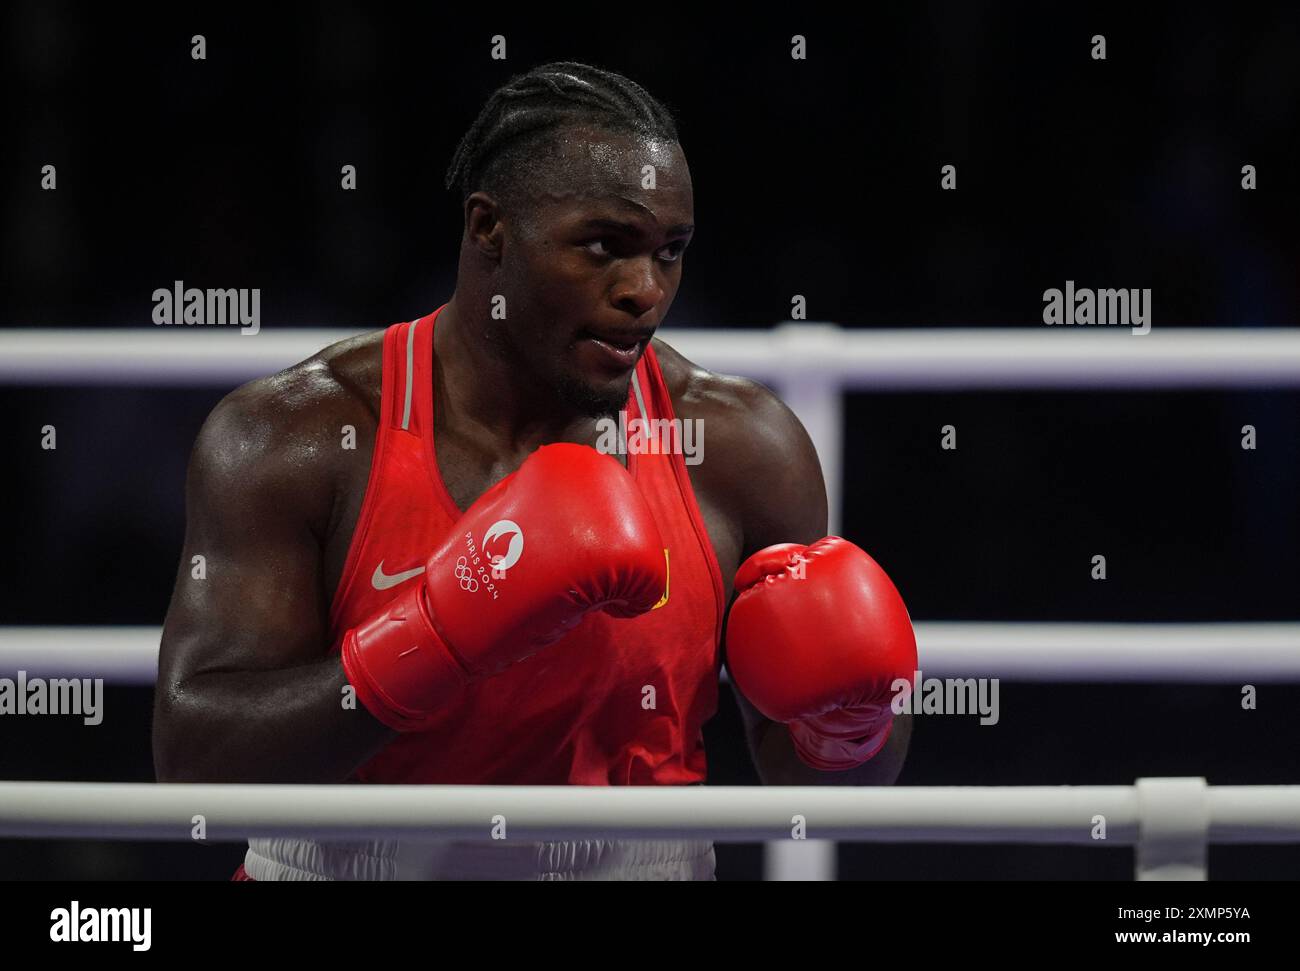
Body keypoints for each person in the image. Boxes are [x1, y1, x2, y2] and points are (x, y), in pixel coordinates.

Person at [153, 61, 916, 880]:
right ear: (489, 229)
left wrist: (854, 724)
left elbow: (815, 782)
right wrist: (435, 637)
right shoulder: (297, 435)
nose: (644, 292)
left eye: (671, 251)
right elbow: (197, 764)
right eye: (605, 246)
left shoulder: (739, 448)